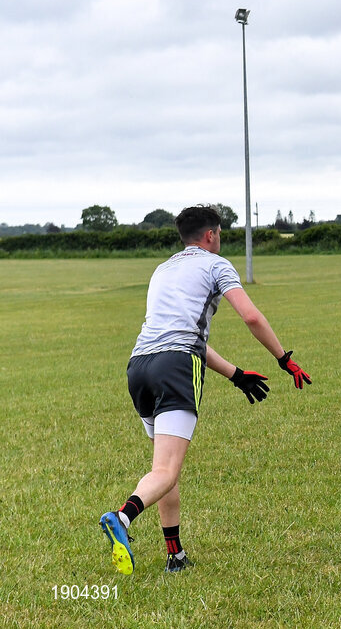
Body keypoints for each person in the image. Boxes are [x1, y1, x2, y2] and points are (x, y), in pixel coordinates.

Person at [98, 205, 312, 575]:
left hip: (139, 367)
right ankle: (122, 516)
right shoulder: (216, 264)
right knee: (165, 470)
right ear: (211, 235)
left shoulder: (163, 269)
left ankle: (175, 555)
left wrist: (236, 374)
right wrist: (282, 357)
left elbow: (185, 336)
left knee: (161, 469)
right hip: (177, 367)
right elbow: (251, 316)